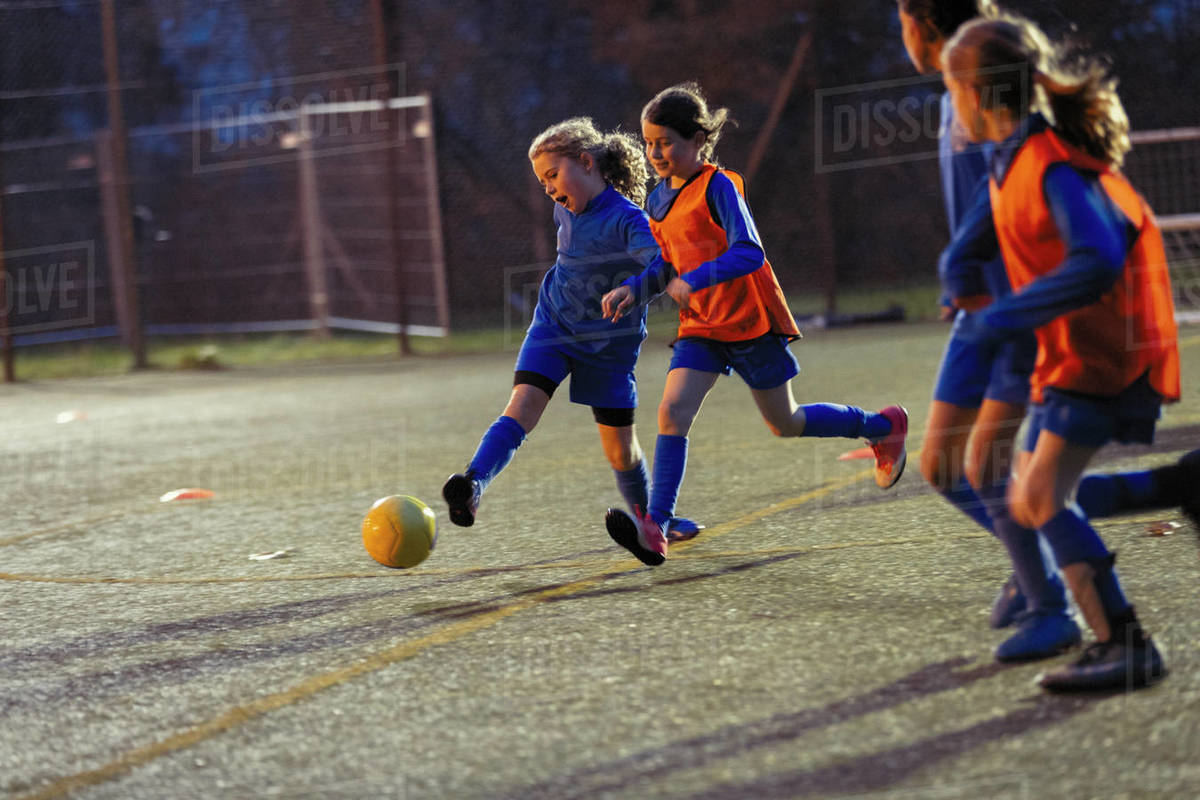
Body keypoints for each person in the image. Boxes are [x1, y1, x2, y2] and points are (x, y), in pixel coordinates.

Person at [941, 14, 1181, 690]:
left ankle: (1125, 645)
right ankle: (1178, 486)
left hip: (1105, 354)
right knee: (1029, 496)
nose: (948, 98)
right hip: (1071, 354)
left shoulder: (1049, 162)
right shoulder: (1013, 156)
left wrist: (1002, 319)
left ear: (984, 93)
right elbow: (994, 221)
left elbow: (1099, 257)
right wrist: (960, 264)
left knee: (1040, 495)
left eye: (952, 84)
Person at [602, 83, 908, 562]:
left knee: (785, 422)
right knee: (671, 412)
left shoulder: (719, 186)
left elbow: (749, 252)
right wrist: (634, 289)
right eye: (649, 143)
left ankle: (880, 427)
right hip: (701, 327)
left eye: (666, 142)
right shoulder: (657, 199)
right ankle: (657, 525)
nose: (655, 152)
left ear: (697, 140)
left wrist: (698, 278)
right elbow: (666, 267)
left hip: (748, 323)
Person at [898, 0, 1079, 662]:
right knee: (945, 466)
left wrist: (966, 259)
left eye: (901, 20)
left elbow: (1005, 181)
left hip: (1019, 310)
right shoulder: (957, 92)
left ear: (921, 20)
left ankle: (1054, 604)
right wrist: (963, 278)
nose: (902, 37)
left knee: (989, 466)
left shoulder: (980, 83)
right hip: (981, 310)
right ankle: (1038, 573)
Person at [442, 117, 698, 566]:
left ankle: (651, 524)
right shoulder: (566, 206)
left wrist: (634, 289)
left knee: (620, 449)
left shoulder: (627, 219)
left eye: (553, 176)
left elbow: (662, 262)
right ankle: (473, 485)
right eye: (542, 183)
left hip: (608, 347)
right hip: (554, 327)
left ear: (586, 162)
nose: (549, 191)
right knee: (521, 405)